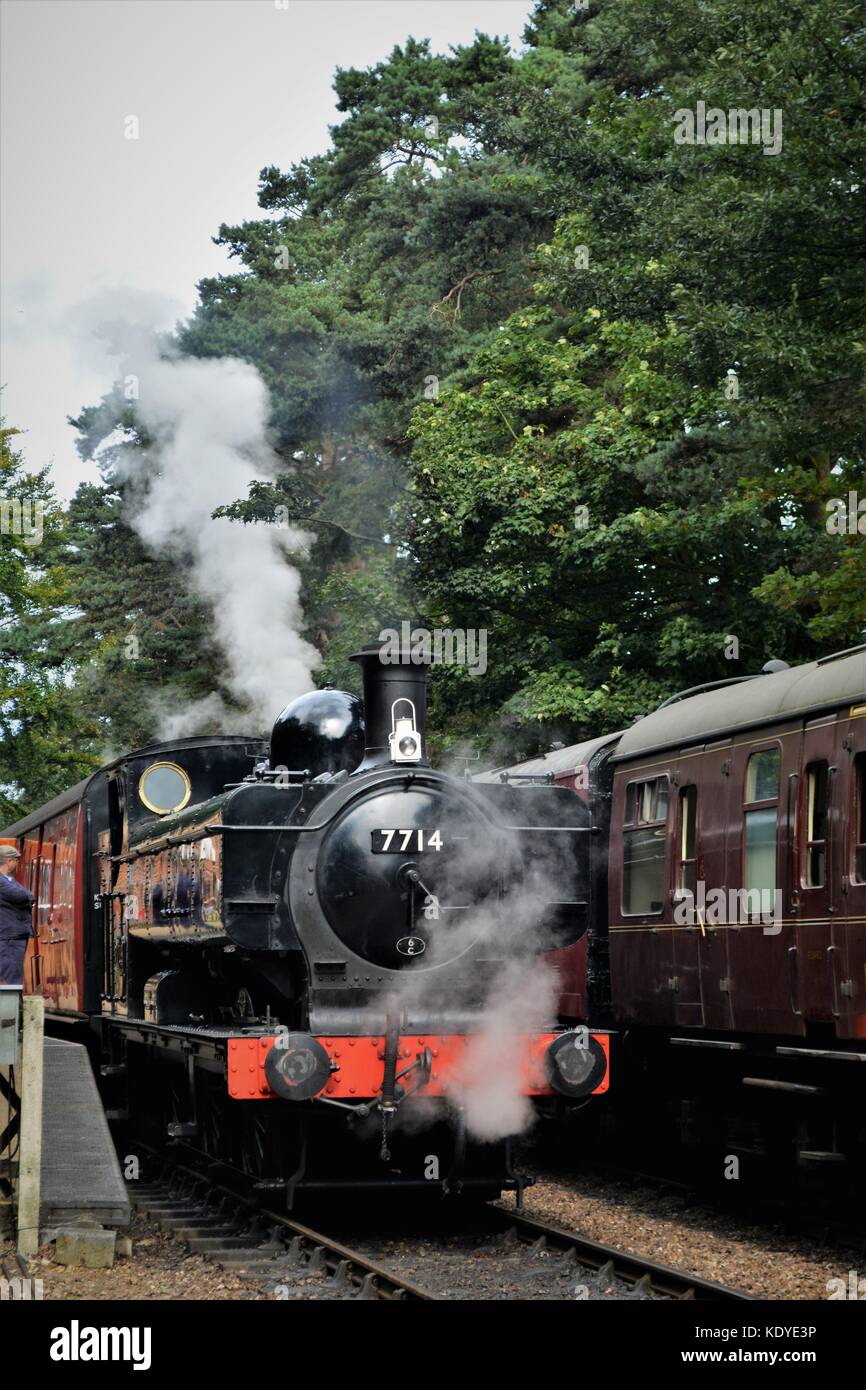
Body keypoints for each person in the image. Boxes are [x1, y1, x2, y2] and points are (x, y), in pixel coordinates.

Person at [0, 846, 36, 986]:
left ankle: (12, 1005)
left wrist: (28, 897)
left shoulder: (7, 879)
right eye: (16, 860)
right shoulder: (2, 881)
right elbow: (22, 895)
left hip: (12, 935)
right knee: (11, 974)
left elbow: (28, 896)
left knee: (12, 972)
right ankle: (10, 1007)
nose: (17, 863)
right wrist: (28, 897)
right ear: (9, 861)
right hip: (9, 935)